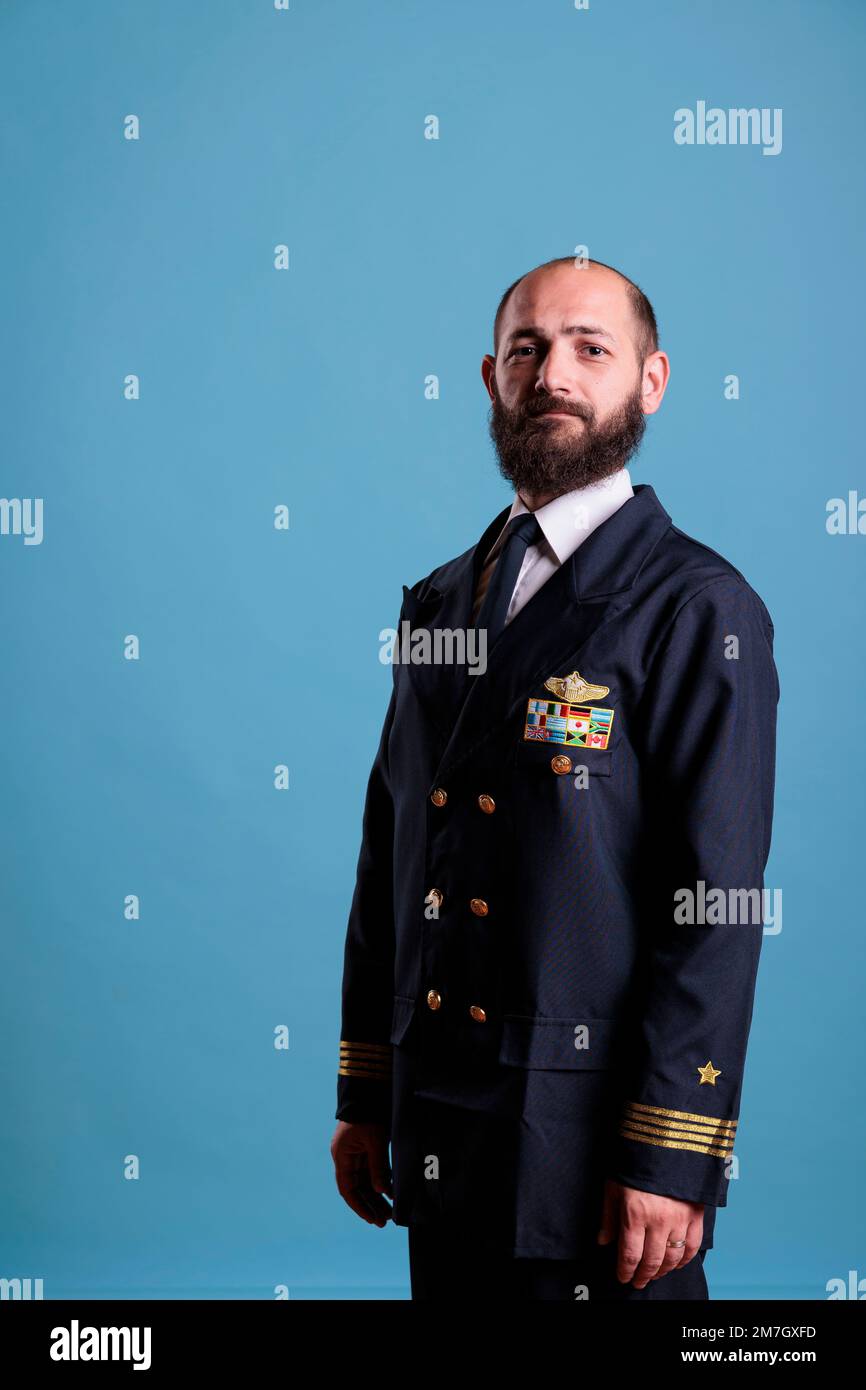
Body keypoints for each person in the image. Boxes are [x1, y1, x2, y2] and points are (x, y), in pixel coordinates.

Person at [330, 255, 779, 1300]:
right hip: (439, 1128)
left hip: (593, 1146)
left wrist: (672, 1155)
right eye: (526, 349)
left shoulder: (695, 608)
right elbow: (386, 854)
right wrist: (368, 1083)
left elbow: (713, 906)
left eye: (590, 348)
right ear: (490, 377)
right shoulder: (440, 602)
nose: (553, 375)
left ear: (649, 380)